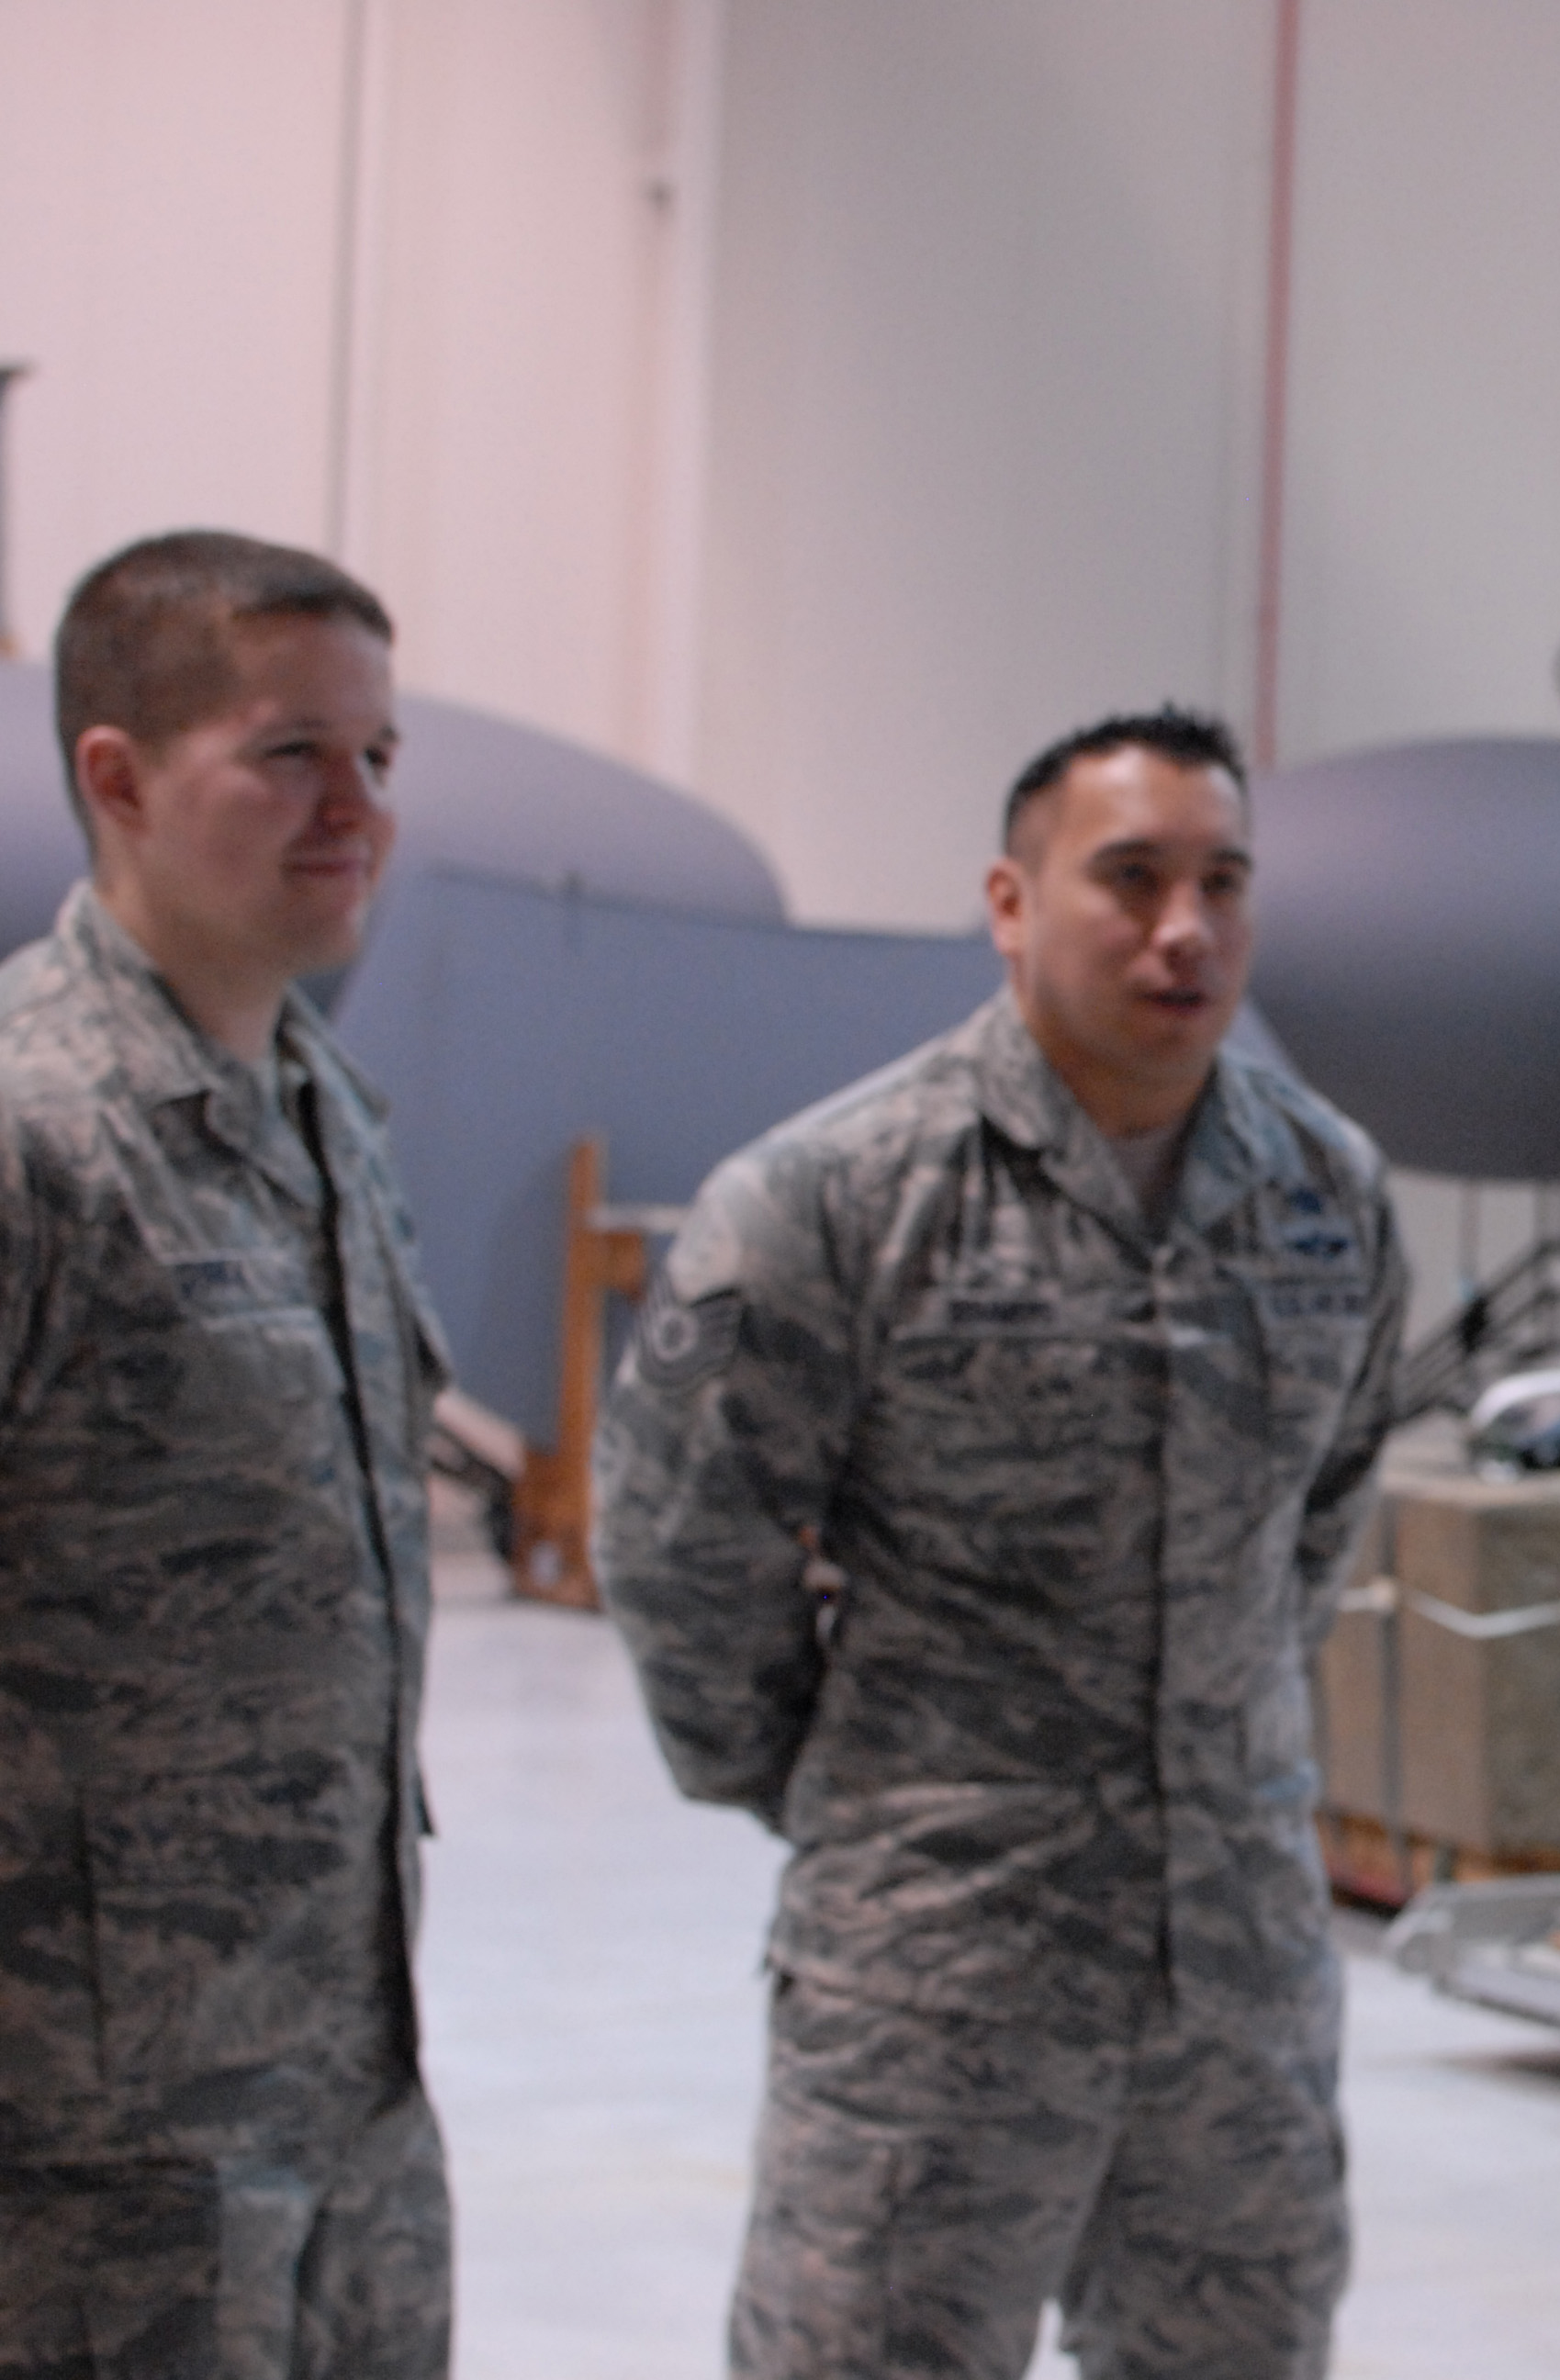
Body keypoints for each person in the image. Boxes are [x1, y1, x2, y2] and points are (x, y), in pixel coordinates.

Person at [596, 706, 1405, 2379]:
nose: (1185, 929)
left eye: (1222, 881)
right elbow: (683, 1546)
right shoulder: (835, 1195)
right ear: (1012, 900)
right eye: (1131, 878)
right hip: (936, 1987)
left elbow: (1319, 1510)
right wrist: (843, 1793)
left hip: (1237, 1988)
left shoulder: (1328, 1193)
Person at [0, 531, 451, 2374]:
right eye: (291, 756)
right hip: (91, 2153)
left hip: (350, 2092)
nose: (357, 810)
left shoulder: (323, 1112)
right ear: (116, 776)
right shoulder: (38, 1139)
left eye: (379, 759)